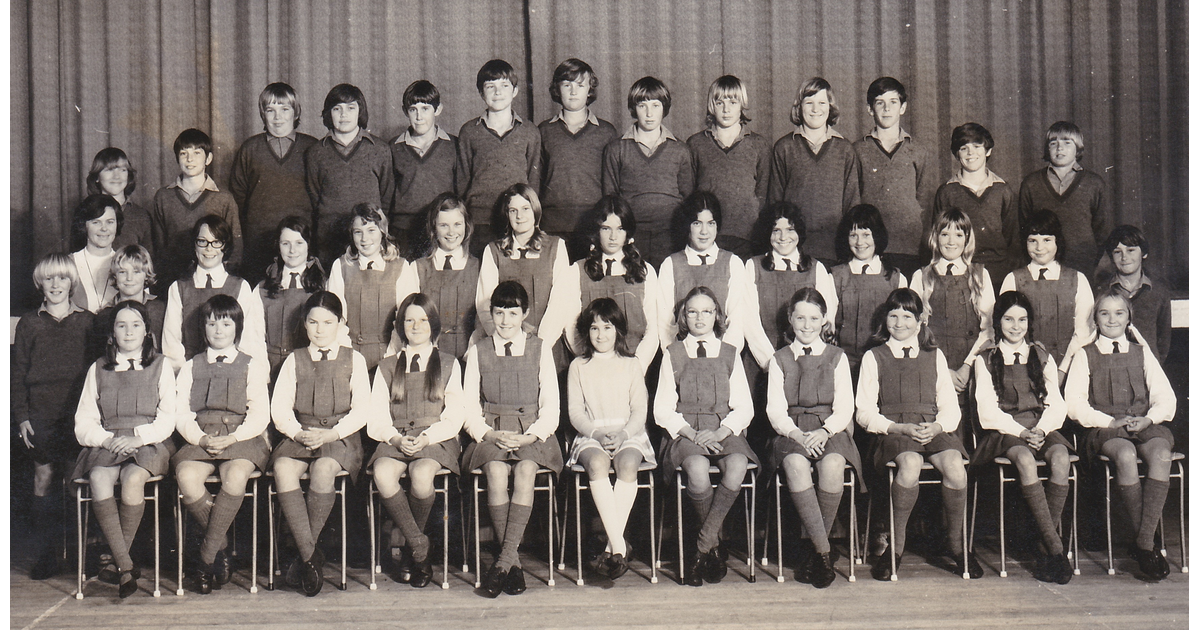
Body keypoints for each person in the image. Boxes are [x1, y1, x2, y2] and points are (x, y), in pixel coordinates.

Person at [855, 288, 981, 581]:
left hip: (931, 426)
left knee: (955, 467)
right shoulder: (874, 357)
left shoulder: (934, 355)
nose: (900, 323)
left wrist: (938, 426)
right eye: (894, 316)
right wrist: (896, 427)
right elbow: (864, 411)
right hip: (895, 429)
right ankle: (895, 549)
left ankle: (957, 545)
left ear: (920, 320)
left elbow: (950, 407)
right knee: (909, 465)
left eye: (907, 317)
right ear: (885, 319)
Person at [1065, 288, 1177, 582]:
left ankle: (1142, 543)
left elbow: (1166, 398)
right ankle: (1148, 545)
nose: (1112, 319)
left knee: (1162, 454)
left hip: (1143, 423)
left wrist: (1148, 418)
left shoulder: (1141, 352)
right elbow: (1074, 405)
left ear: (1129, 318)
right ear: (1095, 318)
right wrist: (1110, 422)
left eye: (1119, 313)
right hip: (1106, 429)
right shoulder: (1084, 355)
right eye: (1104, 313)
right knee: (1126, 455)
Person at [461, 281, 563, 598]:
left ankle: (503, 561)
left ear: (525, 314)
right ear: (490, 314)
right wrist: (488, 433)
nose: (505, 321)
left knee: (525, 471)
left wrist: (529, 436)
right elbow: (468, 408)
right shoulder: (478, 351)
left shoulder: (540, 348)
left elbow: (552, 406)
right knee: (495, 471)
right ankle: (513, 564)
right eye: (499, 313)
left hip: (531, 430)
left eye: (513, 313)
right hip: (492, 429)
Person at [270, 291, 372, 596]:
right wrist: (298, 433)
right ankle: (311, 556)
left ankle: (302, 557)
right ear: (304, 324)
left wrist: (331, 434)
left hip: (340, 437)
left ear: (340, 323)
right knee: (283, 467)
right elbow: (280, 409)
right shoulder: (294, 359)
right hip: (301, 433)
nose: (319, 329)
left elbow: (362, 410)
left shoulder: (354, 358)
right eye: (313, 322)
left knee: (325, 469)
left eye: (327, 322)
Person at [654, 286, 757, 586]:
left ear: (717, 316)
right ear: (683, 317)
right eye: (692, 312)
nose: (700, 318)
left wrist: (721, 431)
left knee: (737, 464)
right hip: (686, 431)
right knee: (697, 468)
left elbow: (744, 407)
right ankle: (713, 545)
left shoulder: (730, 353)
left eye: (707, 311)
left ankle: (700, 547)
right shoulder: (672, 354)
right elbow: (662, 409)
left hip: (723, 428)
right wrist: (693, 434)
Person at [73, 300, 177, 597]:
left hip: (147, 441)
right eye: (121, 325)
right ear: (112, 332)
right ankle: (125, 566)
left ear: (147, 331)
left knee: (133, 480)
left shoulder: (160, 365)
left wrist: (139, 438)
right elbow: (84, 421)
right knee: (98, 478)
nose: (129, 332)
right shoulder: (99, 368)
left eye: (136, 325)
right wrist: (105, 439)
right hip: (109, 440)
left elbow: (167, 418)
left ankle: (117, 563)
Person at [172, 295, 271, 594]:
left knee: (235, 476)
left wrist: (235, 437)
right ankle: (221, 549)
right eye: (211, 323)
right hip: (201, 437)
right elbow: (182, 414)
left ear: (236, 328)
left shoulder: (250, 365)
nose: (218, 330)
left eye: (225, 324)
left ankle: (204, 561)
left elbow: (259, 413)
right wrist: (200, 438)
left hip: (240, 437)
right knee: (186, 477)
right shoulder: (191, 366)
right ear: (203, 328)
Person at [972, 291, 1072, 584]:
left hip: (1041, 426)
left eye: (1022, 319)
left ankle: (1043, 544)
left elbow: (1057, 403)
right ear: (997, 321)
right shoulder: (986, 359)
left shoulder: (1042, 355)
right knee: (1026, 460)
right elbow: (987, 411)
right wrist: (1022, 432)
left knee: (1062, 457)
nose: (1016, 326)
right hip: (1006, 431)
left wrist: (1041, 429)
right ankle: (1055, 549)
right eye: (1008, 319)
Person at [764, 288, 861, 588]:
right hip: (791, 429)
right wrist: (796, 434)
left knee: (832, 465)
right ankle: (823, 552)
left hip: (829, 428)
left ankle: (812, 550)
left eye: (814, 318)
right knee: (794, 463)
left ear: (824, 321)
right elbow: (775, 409)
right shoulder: (779, 359)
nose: (807, 325)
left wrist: (824, 431)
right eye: (800, 318)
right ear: (790, 320)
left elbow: (845, 406)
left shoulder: (837, 357)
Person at [367, 294, 465, 588]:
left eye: (422, 319)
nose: (415, 325)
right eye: (409, 319)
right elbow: (376, 419)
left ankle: (410, 550)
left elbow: (455, 416)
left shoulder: (449, 364)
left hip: (435, 438)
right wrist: (395, 439)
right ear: (400, 325)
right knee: (383, 473)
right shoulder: (386, 366)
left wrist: (426, 438)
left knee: (421, 474)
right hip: (396, 438)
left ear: (433, 323)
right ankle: (420, 549)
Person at [13, 253, 93, 579]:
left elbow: (97, 374)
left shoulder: (88, 321)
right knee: (44, 478)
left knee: (76, 481)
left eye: (62, 278)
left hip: (77, 414)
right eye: (49, 278)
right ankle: (47, 554)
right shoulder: (29, 323)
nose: (56, 284)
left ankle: (78, 555)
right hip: (40, 414)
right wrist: (21, 417)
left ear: (71, 281)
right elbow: (17, 374)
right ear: (40, 283)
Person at [566, 297, 654, 579]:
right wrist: (598, 434)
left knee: (628, 465)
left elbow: (640, 410)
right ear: (586, 332)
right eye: (594, 328)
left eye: (607, 327)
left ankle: (609, 548)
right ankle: (618, 546)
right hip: (591, 434)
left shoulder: (631, 364)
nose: (600, 335)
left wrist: (624, 433)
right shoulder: (578, 366)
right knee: (598, 465)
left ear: (618, 329)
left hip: (628, 432)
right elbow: (575, 412)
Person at [229, 82, 318, 287]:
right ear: (263, 114)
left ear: (295, 113)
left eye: (284, 109)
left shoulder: (312, 147)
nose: (277, 117)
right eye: (271, 110)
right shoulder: (250, 149)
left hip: (300, 244)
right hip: (258, 244)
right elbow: (238, 200)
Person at [602, 76, 696, 266]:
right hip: (632, 234)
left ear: (665, 108)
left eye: (656, 105)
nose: (649, 113)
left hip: (671, 234)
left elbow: (689, 197)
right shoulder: (616, 148)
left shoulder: (681, 150)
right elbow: (611, 197)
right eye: (642, 105)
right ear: (633, 109)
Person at [769, 77, 861, 264]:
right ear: (799, 107)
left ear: (830, 107)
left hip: (834, 252)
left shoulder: (845, 149)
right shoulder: (784, 147)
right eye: (809, 103)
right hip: (793, 251)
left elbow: (852, 205)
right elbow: (775, 204)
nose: (815, 109)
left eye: (821, 103)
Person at [565, 196, 659, 373]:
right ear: (596, 231)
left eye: (620, 229)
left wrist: (637, 366)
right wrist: (588, 363)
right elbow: (571, 327)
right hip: (591, 370)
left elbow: (653, 329)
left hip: (633, 369)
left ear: (628, 233)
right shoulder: (577, 271)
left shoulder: (645, 271)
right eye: (606, 229)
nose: (613, 236)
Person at [852, 77, 936, 277]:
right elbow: (853, 201)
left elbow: (925, 203)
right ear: (870, 109)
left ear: (903, 107)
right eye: (880, 103)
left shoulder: (918, 151)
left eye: (893, 102)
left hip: (909, 247)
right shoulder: (857, 150)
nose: (887, 109)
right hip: (869, 247)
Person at [475, 184, 574, 352]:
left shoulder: (556, 247)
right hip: (506, 347)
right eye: (513, 210)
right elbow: (484, 304)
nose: (519, 216)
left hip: (547, 346)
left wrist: (540, 345)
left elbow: (561, 303)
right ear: (507, 215)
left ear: (535, 210)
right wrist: (508, 342)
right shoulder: (493, 251)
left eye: (525, 209)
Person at [457, 59, 542, 255]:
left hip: (517, 221)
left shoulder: (530, 131)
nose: (498, 92)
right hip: (479, 221)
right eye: (490, 86)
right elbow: (462, 181)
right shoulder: (469, 132)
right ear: (481, 92)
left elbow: (533, 181)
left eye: (504, 86)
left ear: (515, 91)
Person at [305, 83, 395, 266]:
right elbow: (314, 196)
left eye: (350, 108)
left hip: (367, 240)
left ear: (360, 111)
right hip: (329, 240)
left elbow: (387, 197)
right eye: (337, 109)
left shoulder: (380, 149)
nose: (344, 115)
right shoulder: (316, 153)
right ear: (329, 113)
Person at [162, 215, 266, 372]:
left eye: (216, 242)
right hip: (190, 372)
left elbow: (249, 339)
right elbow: (171, 341)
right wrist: (184, 375)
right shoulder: (178, 287)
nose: (209, 249)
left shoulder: (240, 286)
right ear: (194, 245)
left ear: (225, 246)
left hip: (231, 370)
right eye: (202, 241)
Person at [538, 59, 618, 260]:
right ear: (557, 89)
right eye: (567, 85)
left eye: (580, 85)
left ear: (589, 90)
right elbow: (536, 181)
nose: (573, 92)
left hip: (593, 226)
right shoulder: (543, 131)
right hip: (553, 226)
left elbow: (612, 186)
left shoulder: (606, 132)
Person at [744, 201, 838, 370]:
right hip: (762, 363)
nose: (783, 237)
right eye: (776, 231)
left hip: (806, 364)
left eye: (790, 230)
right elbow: (750, 324)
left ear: (799, 232)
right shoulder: (753, 266)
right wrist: (771, 363)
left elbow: (825, 320)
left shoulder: (817, 269)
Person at [910, 209, 995, 395]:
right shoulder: (921, 276)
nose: (951, 241)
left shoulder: (980, 276)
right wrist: (942, 370)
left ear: (967, 239)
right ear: (935, 237)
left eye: (958, 234)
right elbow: (914, 329)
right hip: (932, 368)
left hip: (970, 369)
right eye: (945, 234)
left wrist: (966, 367)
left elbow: (988, 329)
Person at [999, 209, 1093, 377]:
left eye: (1047, 240)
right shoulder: (1013, 279)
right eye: (1032, 241)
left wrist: (1062, 371)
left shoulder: (1078, 279)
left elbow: (1083, 332)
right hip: (1025, 371)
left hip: (1070, 370)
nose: (1039, 247)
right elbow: (1005, 330)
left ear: (1058, 242)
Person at [686, 75, 771, 260]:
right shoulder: (696, 144)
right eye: (719, 102)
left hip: (747, 238)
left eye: (733, 102)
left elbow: (764, 194)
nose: (726, 109)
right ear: (711, 106)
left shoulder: (759, 145)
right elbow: (689, 194)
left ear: (742, 105)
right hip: (707, 238)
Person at [1018, 121, 1111, 282]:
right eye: (1053, 143)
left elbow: (1102, 230)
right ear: (1047, 148)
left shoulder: (1094, 183)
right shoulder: (1031, 183)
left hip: (1083, 265)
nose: (1059, 148)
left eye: (1067, 143)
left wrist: (1093, 262)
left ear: (1078, 148)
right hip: (1042, 264)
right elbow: (1023, 227)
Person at [657, 192, 750, 353]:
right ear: (688, 225)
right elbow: (666, 324)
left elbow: (736, 322)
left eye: (711, 223)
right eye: (697, 223)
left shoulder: (733, 263)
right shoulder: (670, 264)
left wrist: (723, 358)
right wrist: (676, 357)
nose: (704, 231)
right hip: (681, 358)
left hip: (723, 357)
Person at [150, 128, 241, 287]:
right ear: (177, 158)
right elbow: (159, 246)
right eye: (184, 153)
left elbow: (236, 247)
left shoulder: (224, 198)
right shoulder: (163, 197)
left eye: (197, 153)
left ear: (208, 158)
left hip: (214, 282)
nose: (190, 159)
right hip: (174, 282)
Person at [396, 193, 480, 360]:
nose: (451, 232)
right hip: (428, 356)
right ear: (433, 227)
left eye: (457, 224)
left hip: (469, 356)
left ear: (467, 226)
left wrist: (472, 353)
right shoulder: (417, 268)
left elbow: (484, 318)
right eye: (443, 225)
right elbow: (407, 316)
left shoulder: (478, 267)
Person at [932, 122, 1018, 284]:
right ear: (957, 154)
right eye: (964, 148)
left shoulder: (1003, 190)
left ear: (988, 150)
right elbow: (938, 237)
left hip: (998, 271)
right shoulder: (947, 191)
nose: (971, 153)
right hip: (961, 269)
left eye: (977, 146)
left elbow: (1012, 237)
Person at [326, 203, 406, 371]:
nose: (364, 239)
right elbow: (335, 320)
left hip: (390, 355)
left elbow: (406, 319)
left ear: (382, 232)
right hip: (350, 356)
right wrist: (349, 357)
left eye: (371, 230)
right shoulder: (340, 266)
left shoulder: (401, 266)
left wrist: (390, 359)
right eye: (358, 232)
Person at [830, 204, 907, 376]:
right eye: (853, 235)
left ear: (877, 236)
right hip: (844, 363)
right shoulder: (836, 276)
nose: (860, 242)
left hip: (885, 363)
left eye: (866, 234)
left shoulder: (895, 278)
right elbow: (827, 324)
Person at [390, 80, 458, 257]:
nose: (419, 116)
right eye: (413, 110)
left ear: (438, 109)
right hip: (403, 231)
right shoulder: (393, 147)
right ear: (406, 112)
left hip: (441, 230)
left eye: (425, 109)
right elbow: (386, 194)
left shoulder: (454, 146)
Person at [257, 217, 327, 381]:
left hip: (309, 368)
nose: (292, 250)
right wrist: (262, 373)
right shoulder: (262, 288)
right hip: (271, 368)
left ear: (308, 245)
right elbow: (254, 336)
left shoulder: (323, 285)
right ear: (278, 246)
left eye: (299, 243)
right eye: (285, 243)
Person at [1096, 225, 1171, 362]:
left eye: (1131, 250)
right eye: (1117, 252)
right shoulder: (1102, 290)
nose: (1124, 257)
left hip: (1147, 368)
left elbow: (1163, 340)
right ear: (1111, 257)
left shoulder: (1159, 291)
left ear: (1144, 253)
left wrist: (1154, 365)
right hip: (1111, 365)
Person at [90, 245, 166, 359]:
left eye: (136, 272)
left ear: (146, 275)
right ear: (115, 276)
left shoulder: (160, 309)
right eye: (122, 272)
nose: (129, 278)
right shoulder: (104, 316)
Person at [86, 147, 152, 253]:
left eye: (122, 170)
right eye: (109, 170)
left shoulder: (141, 215)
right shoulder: (85, 211)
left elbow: (148, 261)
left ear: (128, 176)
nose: (116, 176)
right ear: (97, 177)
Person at [69, 194, 122, 312]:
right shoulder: (68, 264)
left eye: (110, 222)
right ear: (84, 225)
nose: (104, 228)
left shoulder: (128, 263)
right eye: (96, 222)